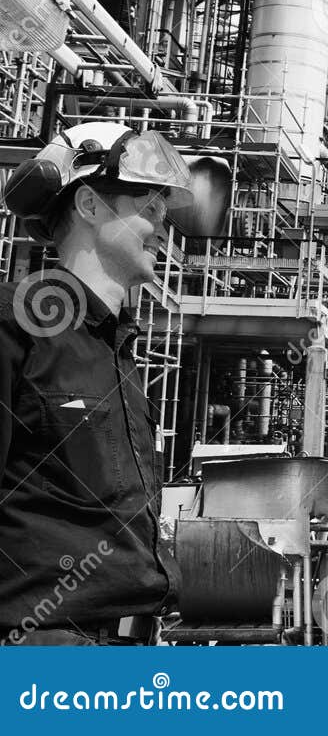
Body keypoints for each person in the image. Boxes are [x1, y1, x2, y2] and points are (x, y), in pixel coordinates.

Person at [0, 121, 194, 645]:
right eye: (148, 207)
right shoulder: (16, 326)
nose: (162, 226)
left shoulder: (119, 355)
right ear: (89, 205)